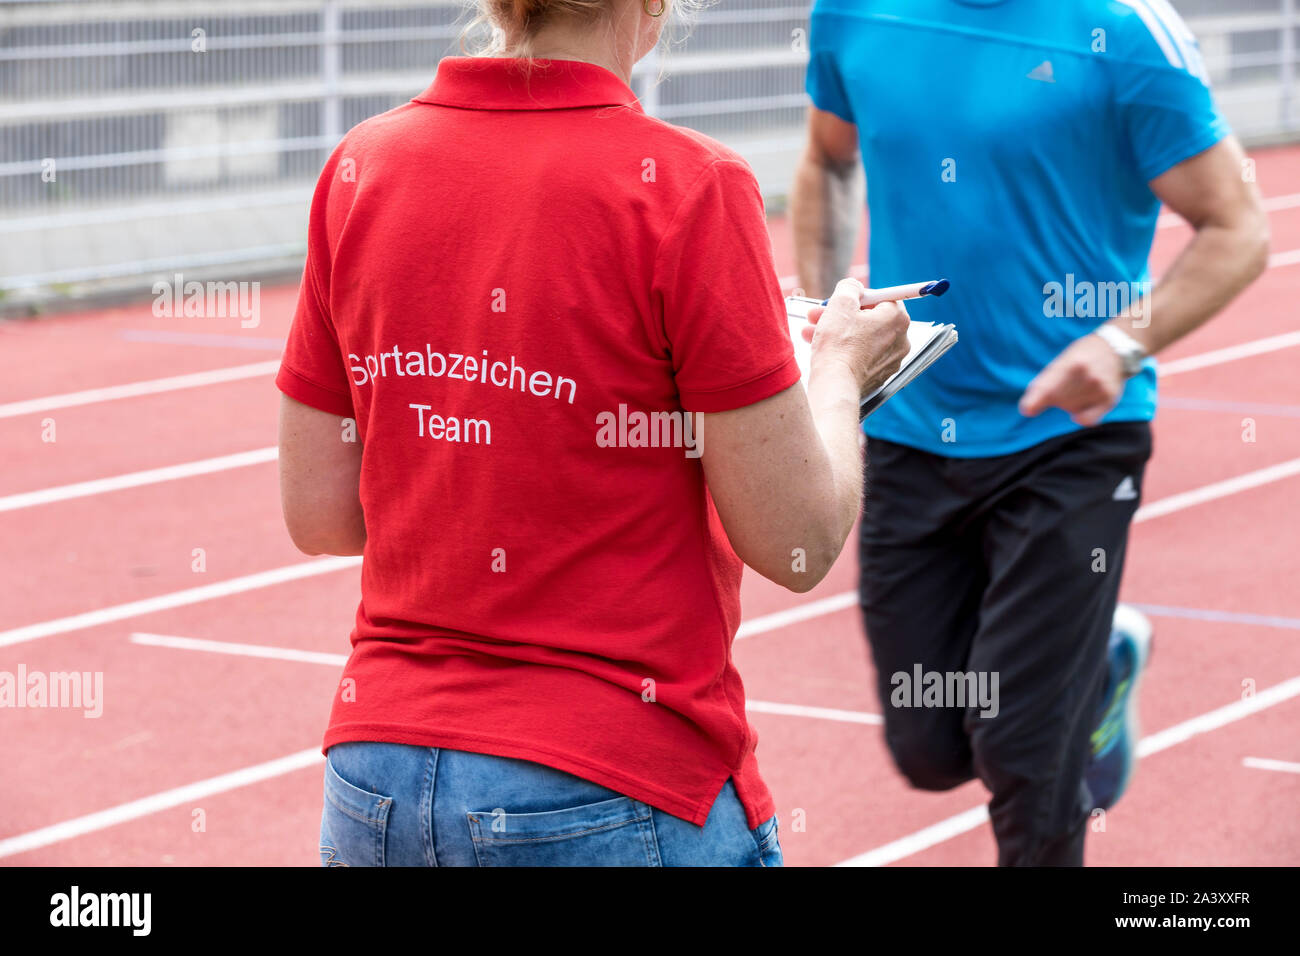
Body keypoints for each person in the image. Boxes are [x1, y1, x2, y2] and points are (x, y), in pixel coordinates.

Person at [276, 0, 911, 866]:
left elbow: (321, 515)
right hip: (613, 775)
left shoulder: (363, 166)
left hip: (376, 769)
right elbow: (795, 543)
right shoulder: (690, 186)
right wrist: (839, 373)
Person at [792, 0, 1269, 865]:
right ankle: (1101, 669)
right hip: (910, 423)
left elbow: (1240, 228)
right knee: (930, 748)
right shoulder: (853, 13)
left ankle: (1062, 714)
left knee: (1022, 750)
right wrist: (825, 339)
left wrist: (1122, 342)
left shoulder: (1125, 31)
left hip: (1071, 436)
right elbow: (827, 162)